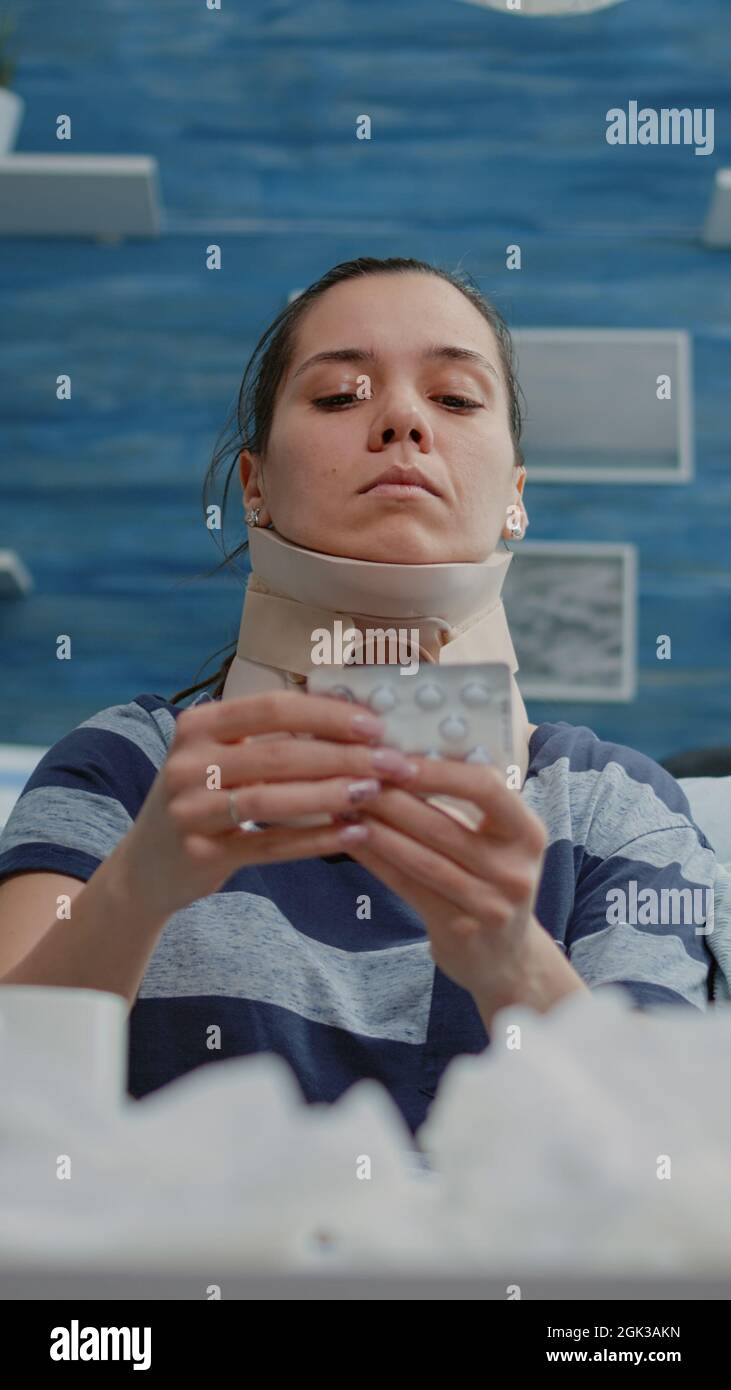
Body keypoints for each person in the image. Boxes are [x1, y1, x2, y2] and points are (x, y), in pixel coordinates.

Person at [0, 256, 721, 1139]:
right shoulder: (124, 772)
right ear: (253, 487)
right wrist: (134, 893)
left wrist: (510, 965)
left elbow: (674, 1182)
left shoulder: (616, 809)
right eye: (340, 395)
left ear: (516, 500)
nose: (403, 421)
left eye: (455, 400)